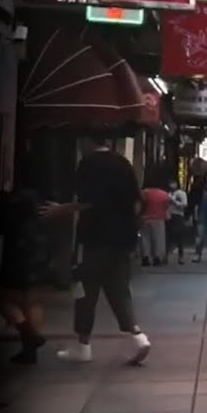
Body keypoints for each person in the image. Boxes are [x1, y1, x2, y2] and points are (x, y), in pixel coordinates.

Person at [40, 136, 151, 365]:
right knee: (119, 289)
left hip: (94, 237)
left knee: (84, 291)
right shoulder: (123, 163)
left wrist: (61, 209)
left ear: (87, 142)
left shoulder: (89, 164)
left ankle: (83, 345)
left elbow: (89, 202)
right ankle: (138, 336)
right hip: (123, 238)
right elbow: (138, 200)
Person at [0, 184, 50, 364]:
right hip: (38, 260)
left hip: (16, 261)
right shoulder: (39, 209)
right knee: (32, 302)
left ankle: (29, 335)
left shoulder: (15, 207)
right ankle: (30, 350)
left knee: (2, 299)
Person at [140, 181, 171, 266]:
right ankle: (156, 257)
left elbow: (140, 204)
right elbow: (167, 207)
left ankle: (145, 257)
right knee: (158, 239)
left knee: (145, 239)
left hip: (145, 218)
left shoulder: (144, 192)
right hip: (159, 219)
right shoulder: (164, 194)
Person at [167, 179, 189, 264]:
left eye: (174, 183)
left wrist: (174, 200)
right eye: (171, 183)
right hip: (169, 216)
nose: (172, 185)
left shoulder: (181, 193)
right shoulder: (168, 194)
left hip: (178, 216)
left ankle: (181, 256)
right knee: (168, 236)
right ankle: (166, 255)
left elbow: (184, 205)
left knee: (179, 237)